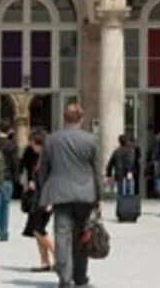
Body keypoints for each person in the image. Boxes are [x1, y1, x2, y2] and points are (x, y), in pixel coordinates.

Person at [39, 103, 103, 288]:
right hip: (85, 193)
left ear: (64, 118)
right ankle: (80, 276)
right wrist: (98, 197)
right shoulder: (90, 140)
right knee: (83, 234)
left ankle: (65, 277)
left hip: (60, 193)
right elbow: (96, 171)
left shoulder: (52, 140)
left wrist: (45, 194)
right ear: (81, 120)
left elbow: (44, 169)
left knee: (62, 235)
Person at [22, 130, 54, 272]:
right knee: (36, 231)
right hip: (38, 197)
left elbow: (54, 180)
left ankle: (60, 258)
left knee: (38, 229)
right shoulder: (40, 157)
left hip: (46, 198)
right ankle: (44, 262)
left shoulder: (50, 158)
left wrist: (51, 201)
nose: (31, 147)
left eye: (32, 144)